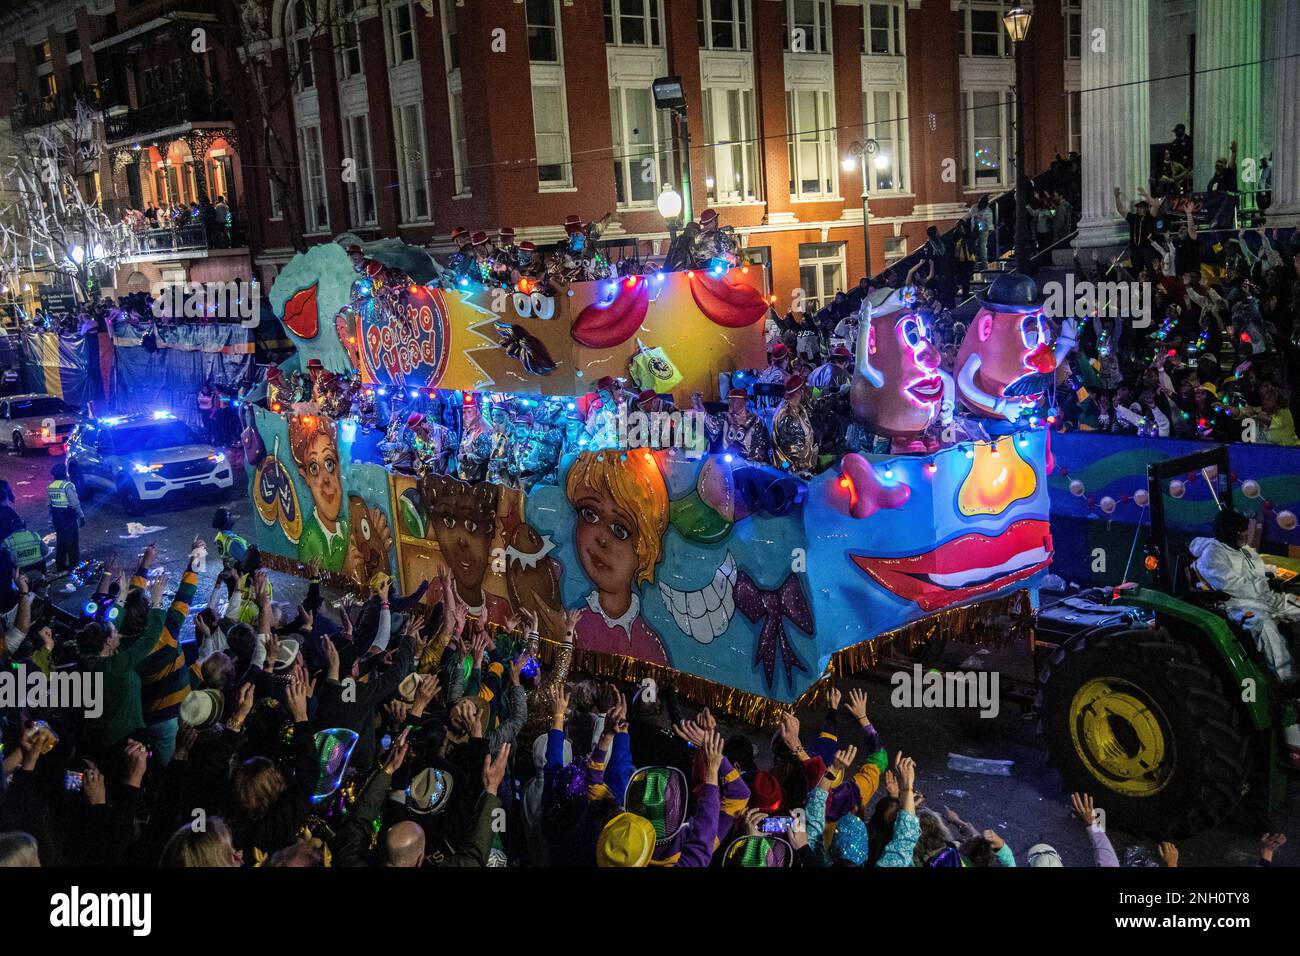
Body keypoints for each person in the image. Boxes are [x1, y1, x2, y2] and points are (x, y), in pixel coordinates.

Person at [47, 462, 84, 575]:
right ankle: (75, 566)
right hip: (68, 516)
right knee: (72, 541)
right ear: (64, 473)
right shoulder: (67, 485)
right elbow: (74, 503)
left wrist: (50, 519)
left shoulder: (51, 486)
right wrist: (81, 516)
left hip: (57, 517)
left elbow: (49, 504)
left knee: (61, 541)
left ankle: (60, 565)